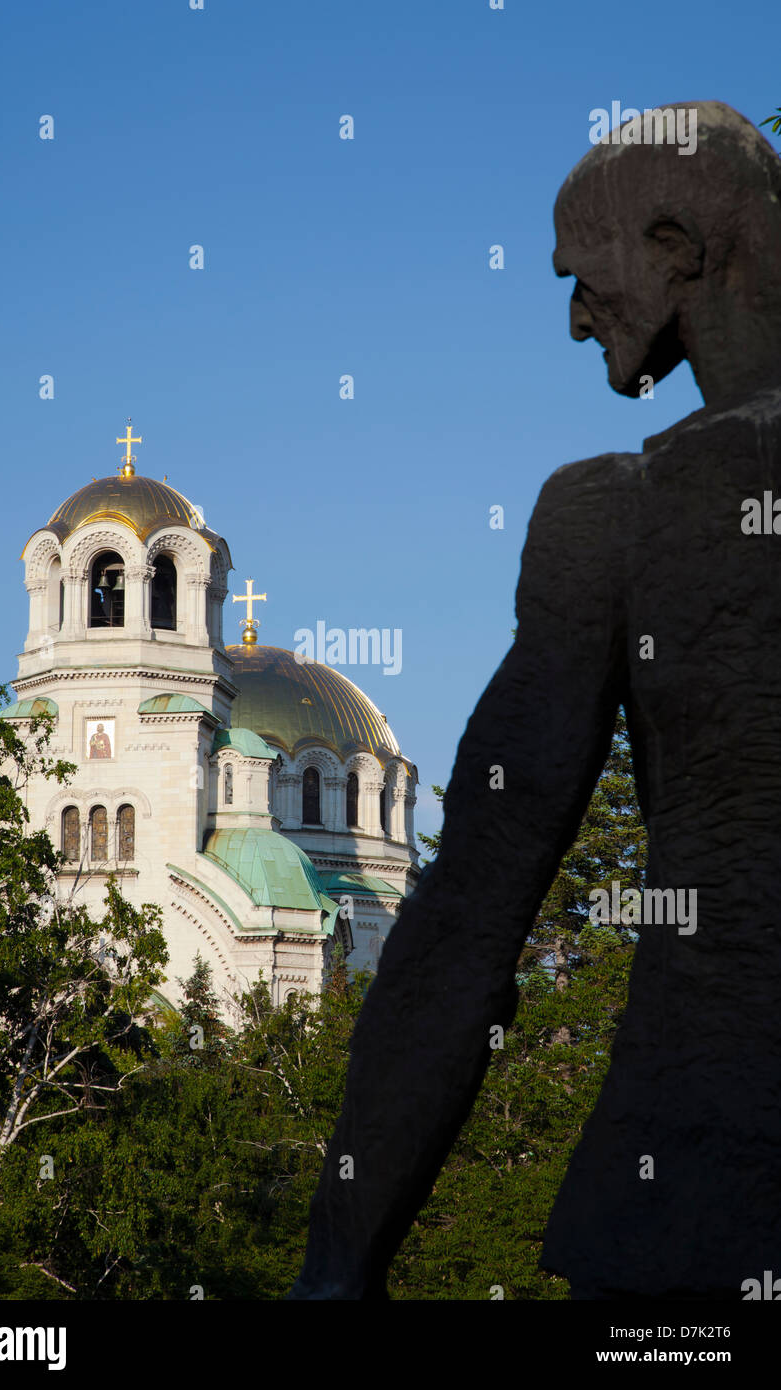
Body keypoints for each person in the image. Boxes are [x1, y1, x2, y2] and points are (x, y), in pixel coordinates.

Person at [289, 102, 781, 1300]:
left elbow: (470, 914)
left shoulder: (619, 514)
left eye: (582, 273)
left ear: (673, 245)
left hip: (698, 1201)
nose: (571, 316)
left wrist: (336, 1264)